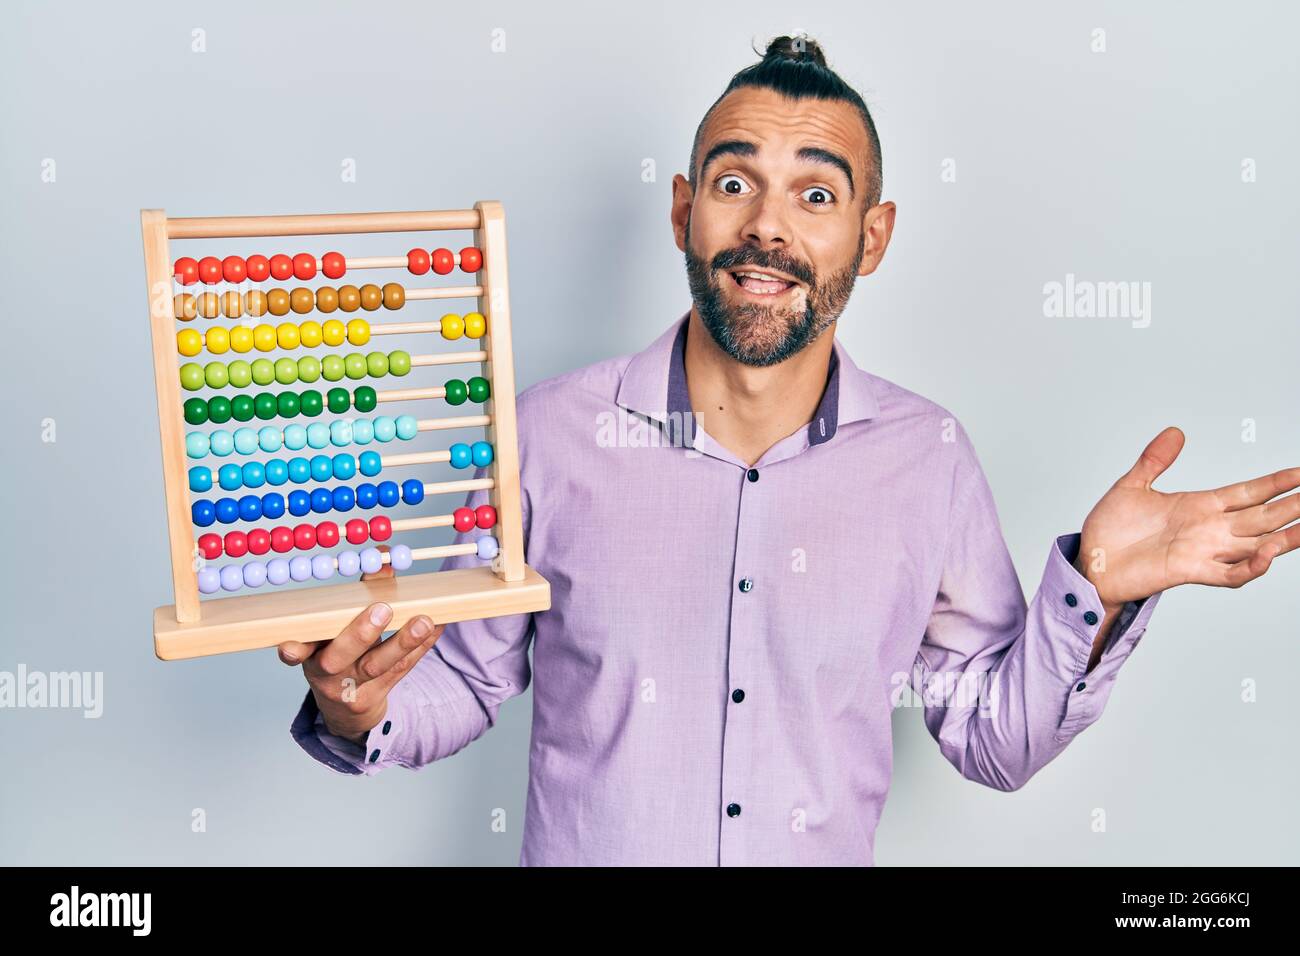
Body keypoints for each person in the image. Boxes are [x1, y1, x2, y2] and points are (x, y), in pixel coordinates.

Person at [280, 35, 1300, 866]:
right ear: (684, 208)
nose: (766, 227)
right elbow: (459, 682)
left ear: (872, 235)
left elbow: (994, 736)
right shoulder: (548, 433)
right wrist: (348, 700)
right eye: (734, 183)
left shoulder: (928, 459)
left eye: (816, 195)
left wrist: (1098, 583)